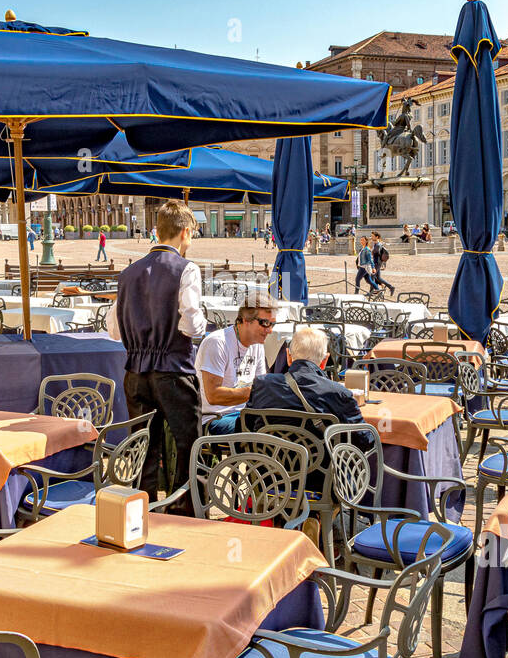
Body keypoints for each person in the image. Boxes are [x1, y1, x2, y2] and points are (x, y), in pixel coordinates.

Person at [106, 201, 206, 509]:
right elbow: (191, 322)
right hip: (173, 369)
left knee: (143, 445)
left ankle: (142, 508)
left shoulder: (128, 273)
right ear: (184, 232)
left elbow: (113, 329)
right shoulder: (186, 269)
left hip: (136, 371)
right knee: (187, 442)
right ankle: (183, 508)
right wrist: (203, 323)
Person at [247, 326, 363, 427]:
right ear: (324, 361)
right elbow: (364, 439)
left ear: (288, 356)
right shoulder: (338, 393)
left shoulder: (262, 384)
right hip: (318, 452)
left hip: (267, 451)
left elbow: (244, 426)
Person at [196, 299, 276, 435]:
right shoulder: (217, 343)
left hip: (245, 414)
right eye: (265, 323)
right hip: (215, 418)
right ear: (246, 320)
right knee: (263, 430)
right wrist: (254, 393)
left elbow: (261, 385)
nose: (269, 330)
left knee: (284, 424)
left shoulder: (257, 345)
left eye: (272, 324)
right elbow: (213, 396)